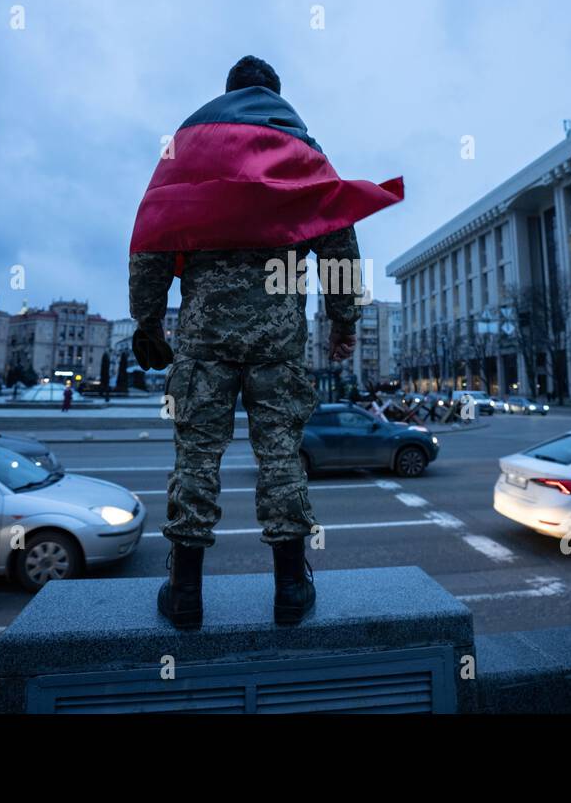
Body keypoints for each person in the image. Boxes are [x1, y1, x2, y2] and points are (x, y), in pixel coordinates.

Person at [129, 55, 403, 629]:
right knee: (280, 454)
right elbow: (339, 243)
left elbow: (153, 231)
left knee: (197, 456)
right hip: (277, 338)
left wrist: (148, 321)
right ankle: (288, 590)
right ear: (276, 94)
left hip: (203, 337)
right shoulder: (301, 152)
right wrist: (345, 320)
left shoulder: (192, 147)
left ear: (228, 92)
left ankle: (184, 593)